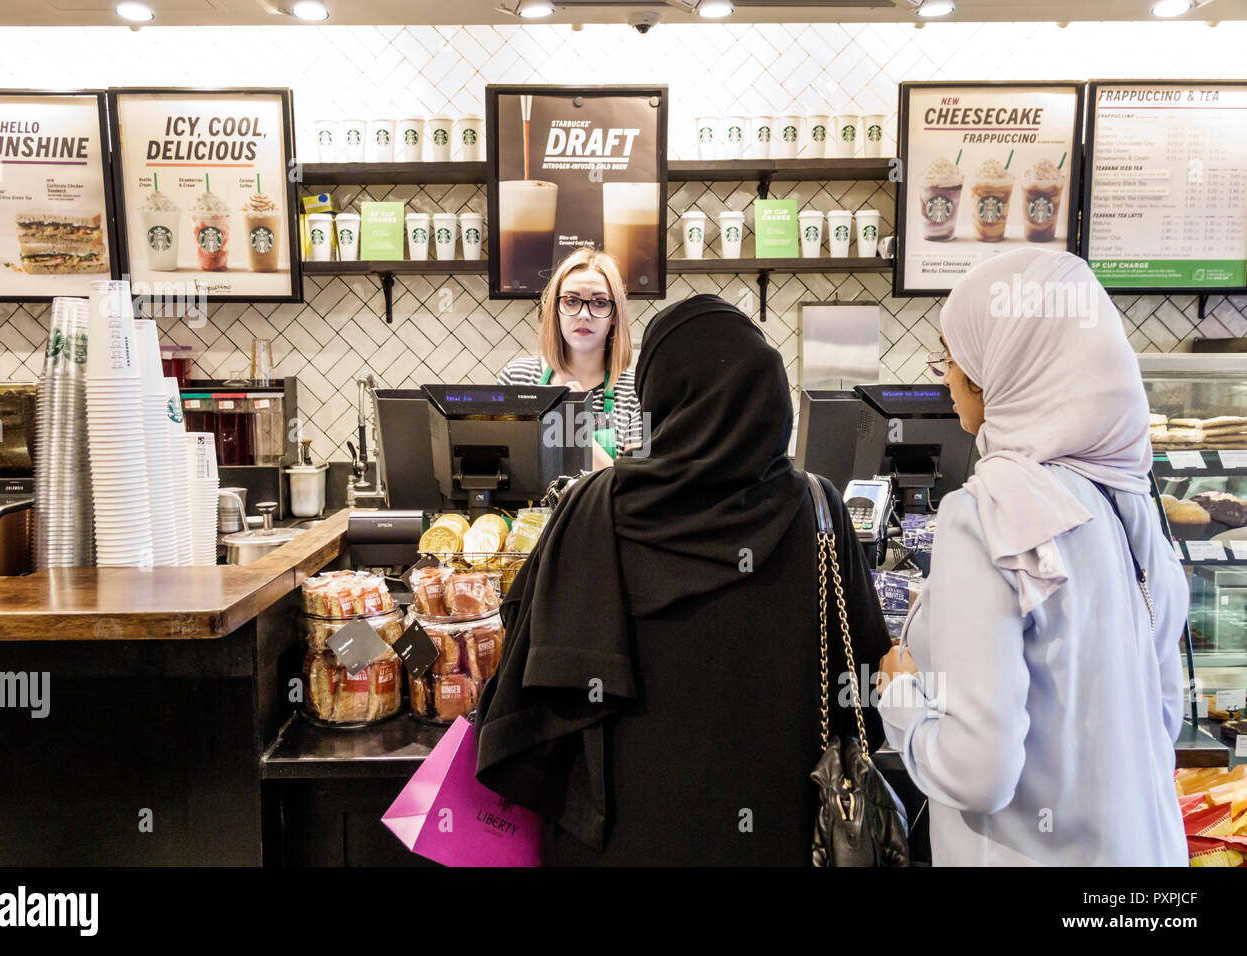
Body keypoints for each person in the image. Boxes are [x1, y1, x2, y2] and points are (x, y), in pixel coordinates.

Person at [476, 293, 892, 866]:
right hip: (780, 837)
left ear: (660, 396)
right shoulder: (821, 511)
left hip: (618, 843)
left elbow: (521, 700)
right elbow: (864, 690)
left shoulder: (594, 508)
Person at [876, 249, 1188, 866]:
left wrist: (900, 699)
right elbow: (1164, 718)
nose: (946, 377)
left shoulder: (987, 512)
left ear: (1009, 364)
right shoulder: (1133, 508)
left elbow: (979, 773)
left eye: (955, 356)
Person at [498, 247, 642, 469]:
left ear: (614, 315)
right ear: (555, 309)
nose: (584, 314)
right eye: (571, 301)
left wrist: (576, 424)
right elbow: (501, 468)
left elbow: (641, 489)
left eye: (600, 303)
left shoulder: (639, 391)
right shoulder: (516, 377)